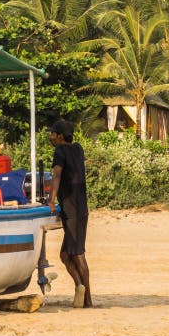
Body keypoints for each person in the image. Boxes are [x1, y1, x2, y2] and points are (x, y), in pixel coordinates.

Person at [48, 119, 92, 308]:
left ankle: (88, 299)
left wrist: (51, 200)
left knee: (77, 253)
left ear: (59, 136)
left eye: (52, 134)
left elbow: (57, 176)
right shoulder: (78, 149)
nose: (50, 137)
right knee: (66, 255)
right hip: (81, 207)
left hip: (72, 209)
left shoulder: (60, 151)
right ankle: (80, 287)